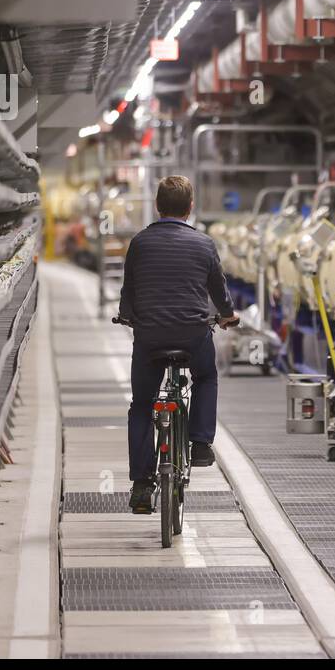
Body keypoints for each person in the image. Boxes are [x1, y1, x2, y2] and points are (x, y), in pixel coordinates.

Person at [118, 175, 238, 513]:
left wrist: (127, 316)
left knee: (141, 404)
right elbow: (219, 291)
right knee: (205, 377)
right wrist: (228, 316)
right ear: (190, 208)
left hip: (150, 336)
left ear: (157, 207)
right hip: (193, 334)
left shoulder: (140, 243)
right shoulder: (204, 244)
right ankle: (200, 443)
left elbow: (130, 291)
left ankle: (141, 485)